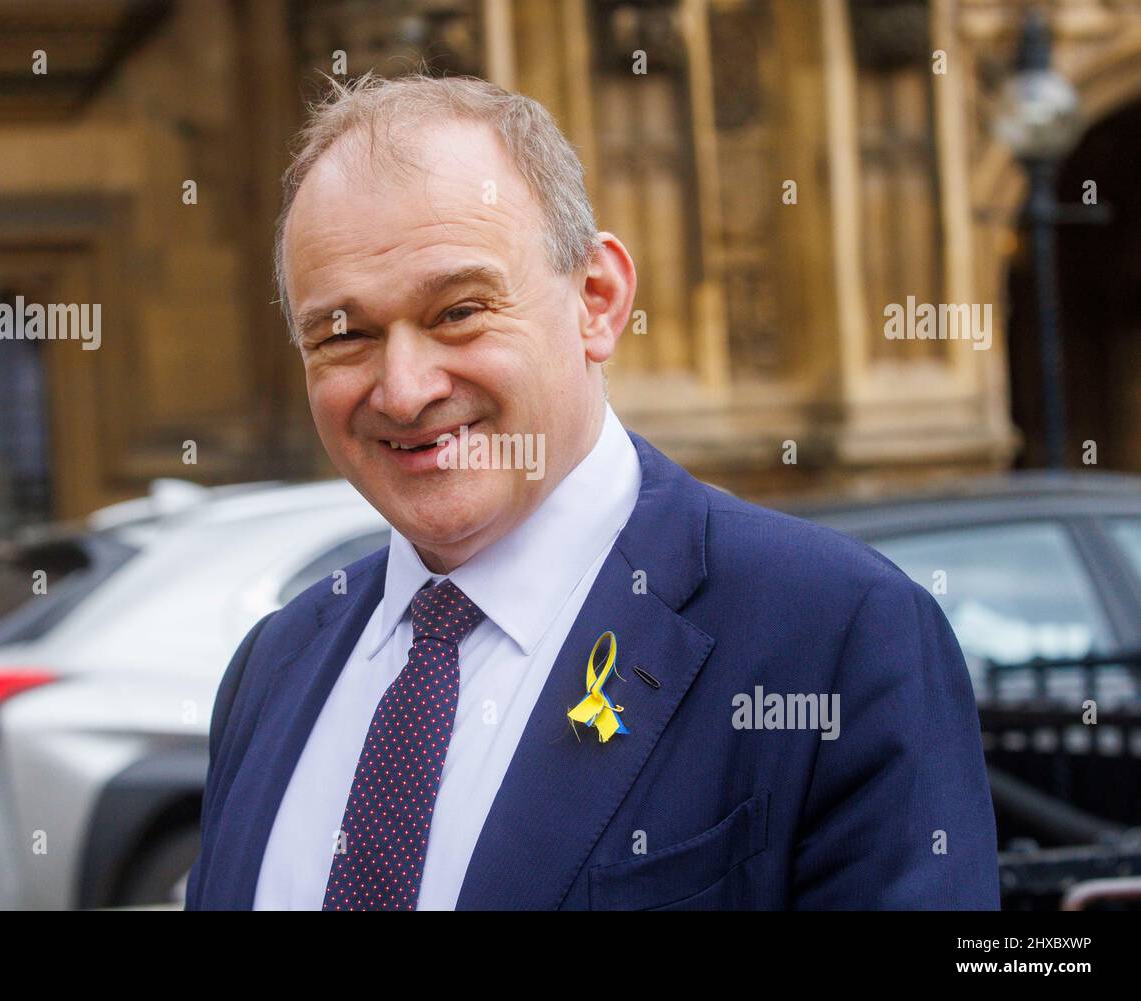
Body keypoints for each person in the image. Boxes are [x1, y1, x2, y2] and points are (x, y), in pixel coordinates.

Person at [185, 73, 1000, 910]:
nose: (403, 388)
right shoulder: (273, 667)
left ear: (598, 301)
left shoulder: (835, 635)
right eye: (344, 334)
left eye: (458, 311)